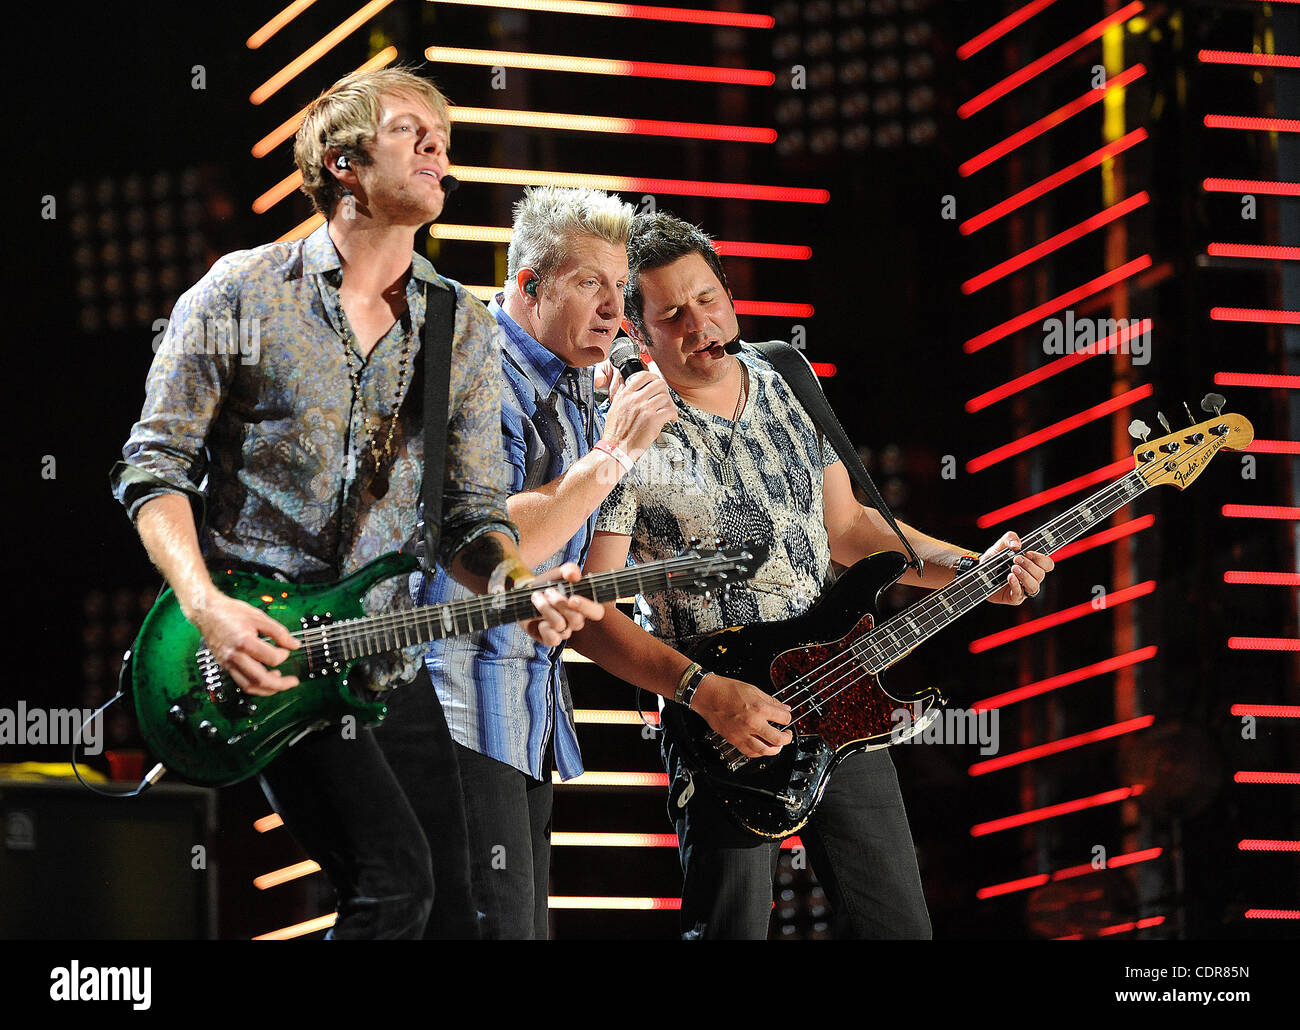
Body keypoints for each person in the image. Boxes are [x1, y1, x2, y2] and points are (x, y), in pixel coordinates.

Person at [109, 68, 599, 940]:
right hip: (258, 645)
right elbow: (155, 468)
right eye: (411, 129)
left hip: (381, 656)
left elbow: (470, 516)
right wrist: (206, 606)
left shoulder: (460, 326)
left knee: (454, 916)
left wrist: (520, 585)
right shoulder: (242, 293)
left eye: (442, 135)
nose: (436, 147)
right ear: (343, 161)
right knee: (393, 886)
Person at [572, 211, 1056, 939]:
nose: (698, 323)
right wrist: (704, 695)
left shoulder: (784, 379)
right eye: (671, 314)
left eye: (708, 299)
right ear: (638, 334)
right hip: (723, 722)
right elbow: (593, 609)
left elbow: (853, 531)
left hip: (840, 695)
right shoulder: (626, 428)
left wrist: (975, 567)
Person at [409, 185, 789, 938]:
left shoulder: (581, 379)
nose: (614, 309)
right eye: (590, 285)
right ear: (529, 286)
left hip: (523, 710)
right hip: (455, 703)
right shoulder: (474, 364)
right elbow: (490, 536)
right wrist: (614, 453)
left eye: (619, 288)